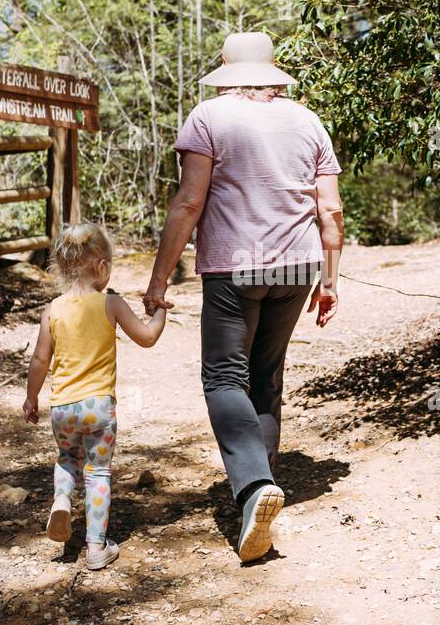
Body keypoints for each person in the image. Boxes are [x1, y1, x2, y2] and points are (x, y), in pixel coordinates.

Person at [144, 31, 344, 564]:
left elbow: (188, 204)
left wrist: (160, 279)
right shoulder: (308, 120)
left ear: (225, 69)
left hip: (235, 268)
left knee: (224, 376)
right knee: (267, 374)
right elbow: (331, 211)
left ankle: (254, 487)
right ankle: (263, 485)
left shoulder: (209, 117)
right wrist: (329, 277)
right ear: (273, 71)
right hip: (299, 266)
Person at [24, 222, 167, 570]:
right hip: (98, 408)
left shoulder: (52, 310)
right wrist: (161, 309)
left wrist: (31, 398)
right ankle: (96, 547)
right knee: (98, 472)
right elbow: (147, 337)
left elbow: (40, 359)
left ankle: (61, 499)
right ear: (101, 267)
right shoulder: (111, 303)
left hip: (62, 409)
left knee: (66, 460)